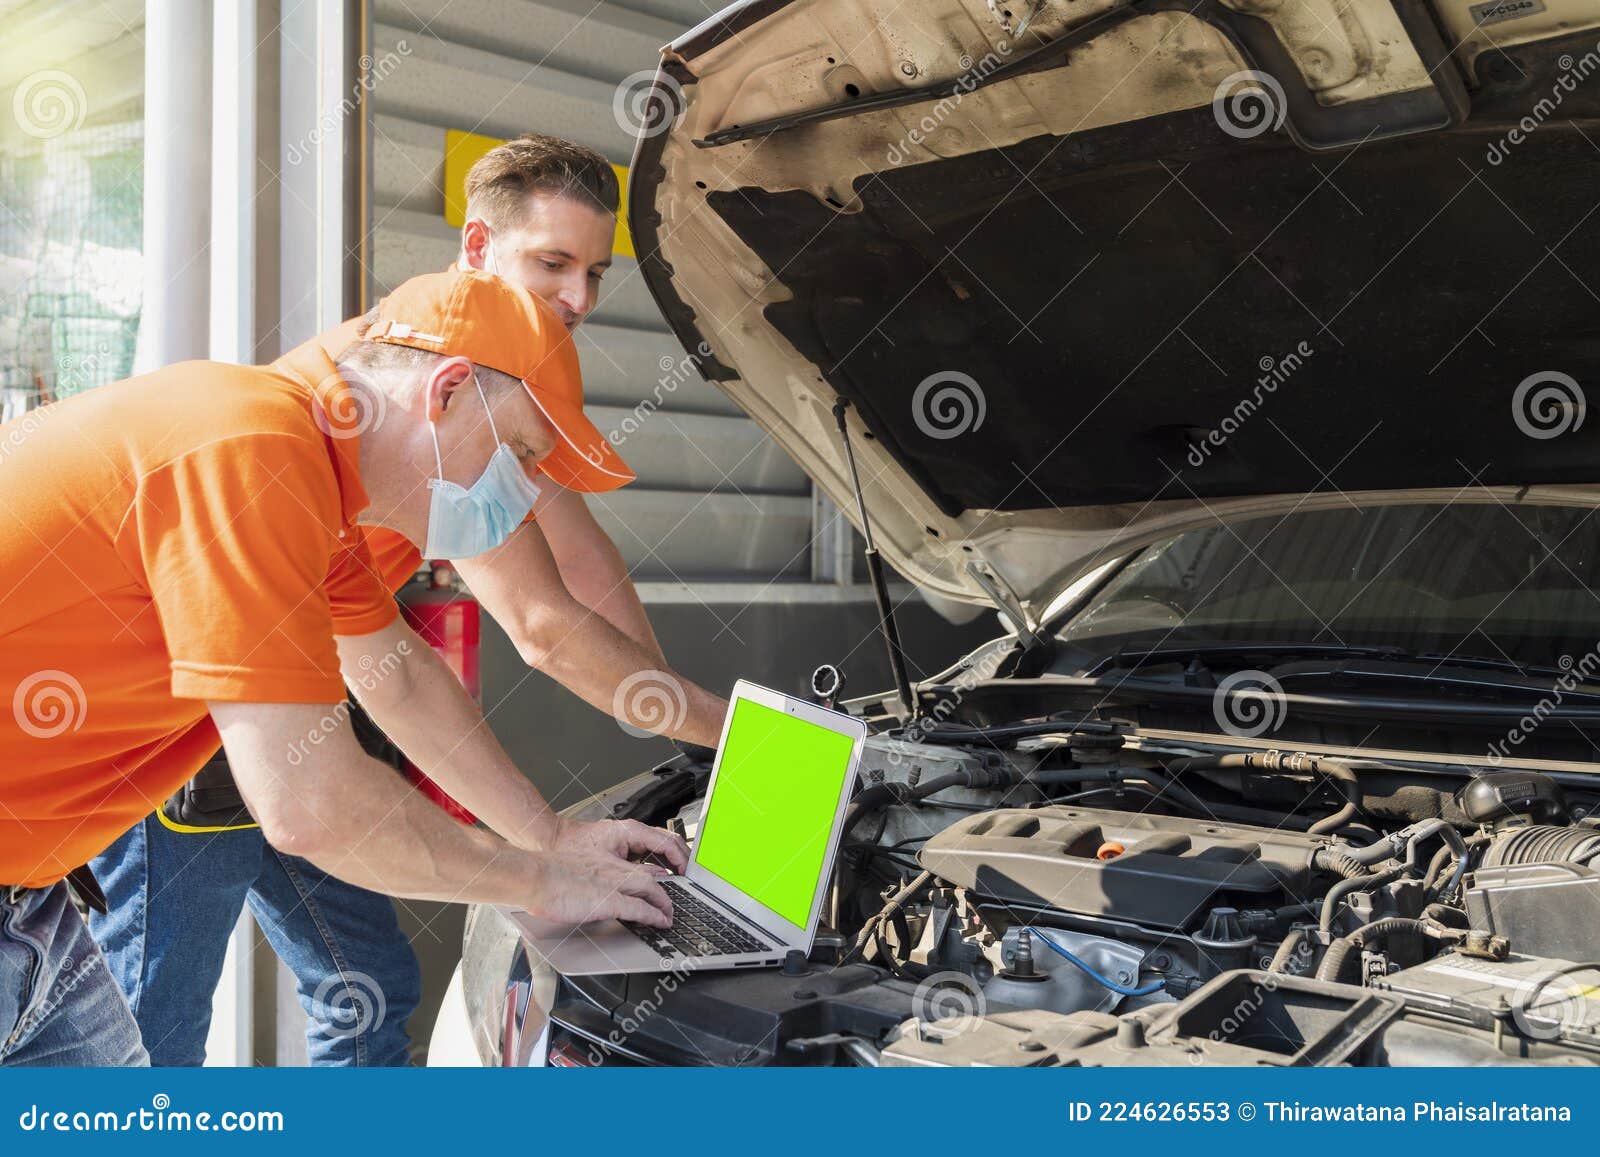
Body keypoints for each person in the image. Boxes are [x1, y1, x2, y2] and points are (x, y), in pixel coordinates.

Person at [86, 133, 728, 1066]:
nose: (580, 297)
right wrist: (725, 740)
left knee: (368, 986)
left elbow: (560, 573)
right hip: (188, 740)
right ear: (475, 251)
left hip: (312, 714)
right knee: (145, 1038)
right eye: (552, 262)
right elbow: (544, 626)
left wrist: (663, 741)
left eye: (594, 271)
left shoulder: (490, 402)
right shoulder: (385, 409)